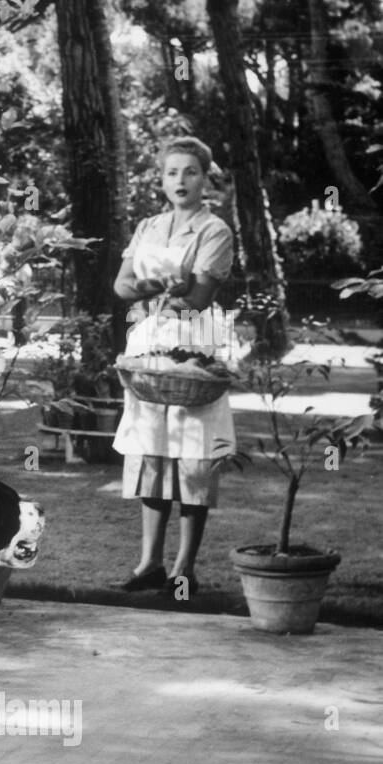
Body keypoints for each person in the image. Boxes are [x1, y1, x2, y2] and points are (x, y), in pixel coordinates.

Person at [111, 136, 239, 596]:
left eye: (190, 172)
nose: (180, 180)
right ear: (162, 179)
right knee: (151, 449)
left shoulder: (215, 231)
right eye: (171, 172)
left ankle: (184, 567)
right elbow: (122, 286)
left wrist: (165, 288)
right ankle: (149, 563)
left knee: (192, 454)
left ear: (206, 178)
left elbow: (198, 298)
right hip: (149, 340)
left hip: (193, 341)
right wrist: (157, 286)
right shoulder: (148, 226)